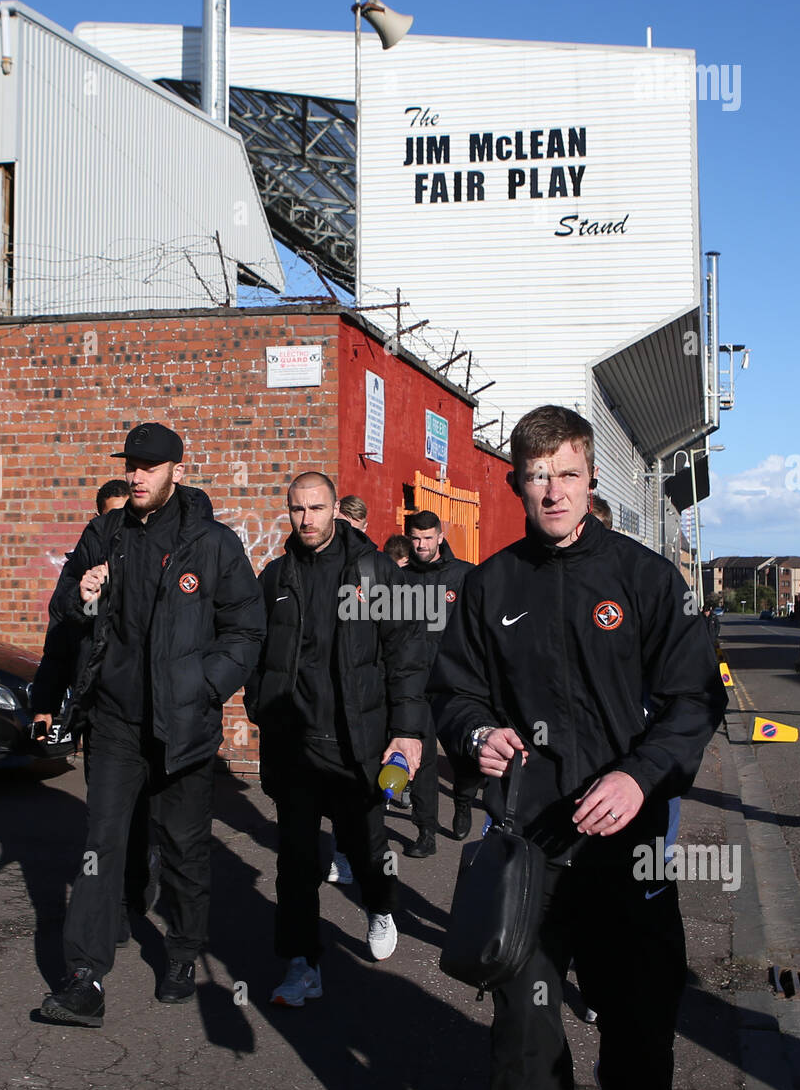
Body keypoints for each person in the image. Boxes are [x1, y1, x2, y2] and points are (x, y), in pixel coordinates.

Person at [429, 406, 727, 1090]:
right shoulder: (490, 587)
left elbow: (692, 702)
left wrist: (639, 777)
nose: (552, 490)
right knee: (525, 1031)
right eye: (536, 475)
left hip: (626, 848)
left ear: (592, 479)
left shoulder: (644, 580)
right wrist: (476, 734)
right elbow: (454, 692)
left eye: (566, 472)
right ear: (517, 483)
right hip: (531, 846)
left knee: (642, 1018)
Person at [39, 422, 266, 1026]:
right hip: (114, 722)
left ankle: (183, 953)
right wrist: (82, 594)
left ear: (177, 471)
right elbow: (64, 604)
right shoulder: (105, 532)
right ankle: (83, 977)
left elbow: (246, 631)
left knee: (184, 847)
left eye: (150, 466)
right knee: (101, 844)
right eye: (131, 464)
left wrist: (202, 686)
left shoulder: (213, 544)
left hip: (182, 727)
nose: (137, 475)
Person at [244, 471, 427, 1004]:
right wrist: (260, 704)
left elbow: (406, 655)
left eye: (318, 508)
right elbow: (255, 648)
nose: (308, 519)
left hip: (357, 743)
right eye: (298, 510)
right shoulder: (276, 577)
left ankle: (381, 908)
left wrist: (406, 730)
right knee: (296, 864)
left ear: (335, 511)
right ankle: (302, 965)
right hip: (294, 745)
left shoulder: (373, 571)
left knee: (369, 850)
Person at [32, 477, 151, 945]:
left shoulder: (155, 562)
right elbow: (59, 640)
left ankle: (135, 884)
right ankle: (112, 909)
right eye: (109, 517)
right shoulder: (84, 565)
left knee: (143, 820)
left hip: (152, 712)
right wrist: (45, 705)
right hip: (101, 715)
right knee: (104, 823)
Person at [402, 510, 481, 852]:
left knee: (462, 754)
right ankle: (426, 833)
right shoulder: (399, 578)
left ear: (440, 536)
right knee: (421, 758)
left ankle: (463, 800)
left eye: (428, 538)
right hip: (414, 683)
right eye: (415, 539)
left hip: (453, 683)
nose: (421, 545)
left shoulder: (464, 576)